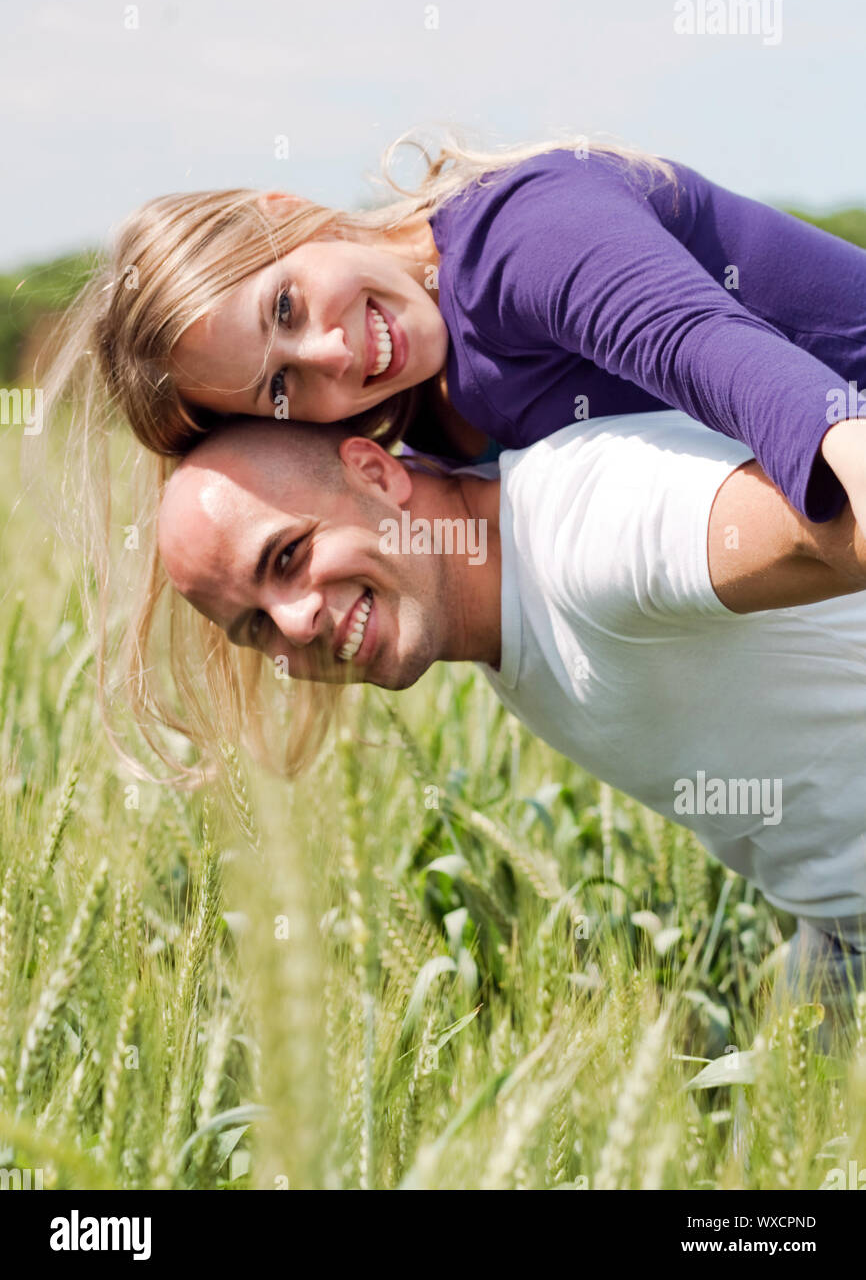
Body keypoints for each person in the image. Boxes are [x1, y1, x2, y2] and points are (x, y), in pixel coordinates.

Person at [154, 408, 866, 1032]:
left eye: (288, 555)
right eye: (256, 627)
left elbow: (841, 521)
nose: (296, 623)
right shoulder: (498, 607)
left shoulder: (579, 529)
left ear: (374, 471)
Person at [49, 131, 866, 530]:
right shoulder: (430, 434)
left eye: (286, 308)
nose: (333, 355)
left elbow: (722, 360)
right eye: (280, 386)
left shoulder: (521, 235)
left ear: (286, 214)